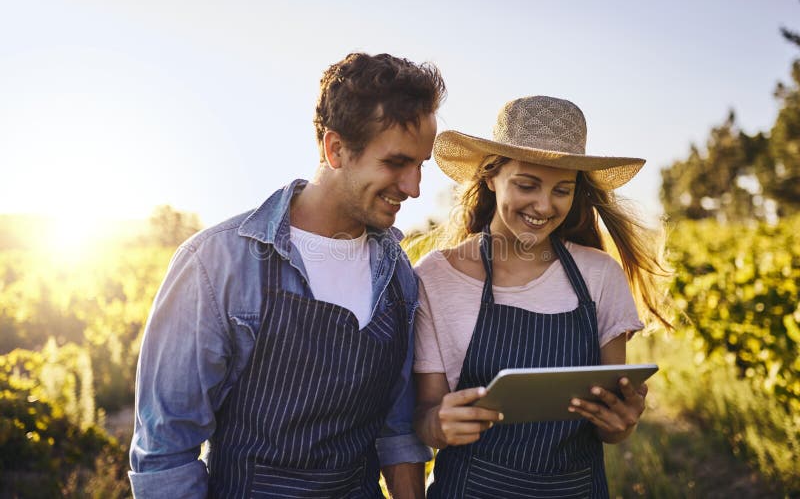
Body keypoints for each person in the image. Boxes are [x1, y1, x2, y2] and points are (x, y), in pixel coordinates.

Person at [129, 52, 446, 498]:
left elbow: (396, 434)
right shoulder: (217, 263)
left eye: (421, 166)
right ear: (335, 149)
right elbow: (164, 453)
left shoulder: (398, 275)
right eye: (396, 163)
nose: (414, 188)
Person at [411, 96, 672, 498]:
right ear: (489, 176)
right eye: (527, 185)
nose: (544, 206)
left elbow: (611, 427)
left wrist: (622, 424)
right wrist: (437, 425)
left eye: (562, 190)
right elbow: (424, 414)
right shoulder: (436, 277)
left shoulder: (599, 276)